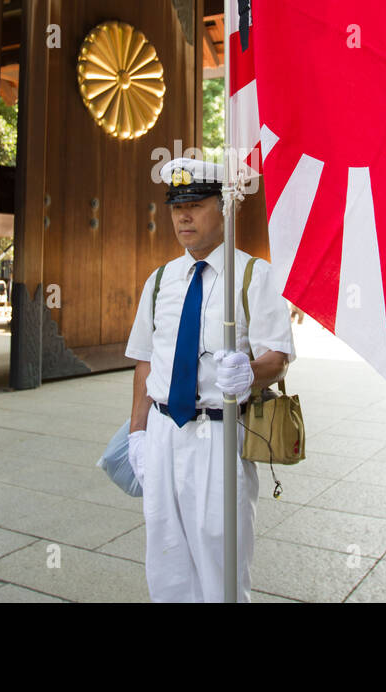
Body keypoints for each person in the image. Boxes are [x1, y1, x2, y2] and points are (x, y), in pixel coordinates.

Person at [125, 156, 295, 602]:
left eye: (197, 204)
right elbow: (145, 363)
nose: (183, 215)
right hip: (163, 432)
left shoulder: (255, 277)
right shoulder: (161, 280)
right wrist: (137, 434)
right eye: (176, 205)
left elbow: (278, 357)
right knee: (166, 561)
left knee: (220, 560)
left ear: (225, 208)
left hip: (219, 436)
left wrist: (250, 372)